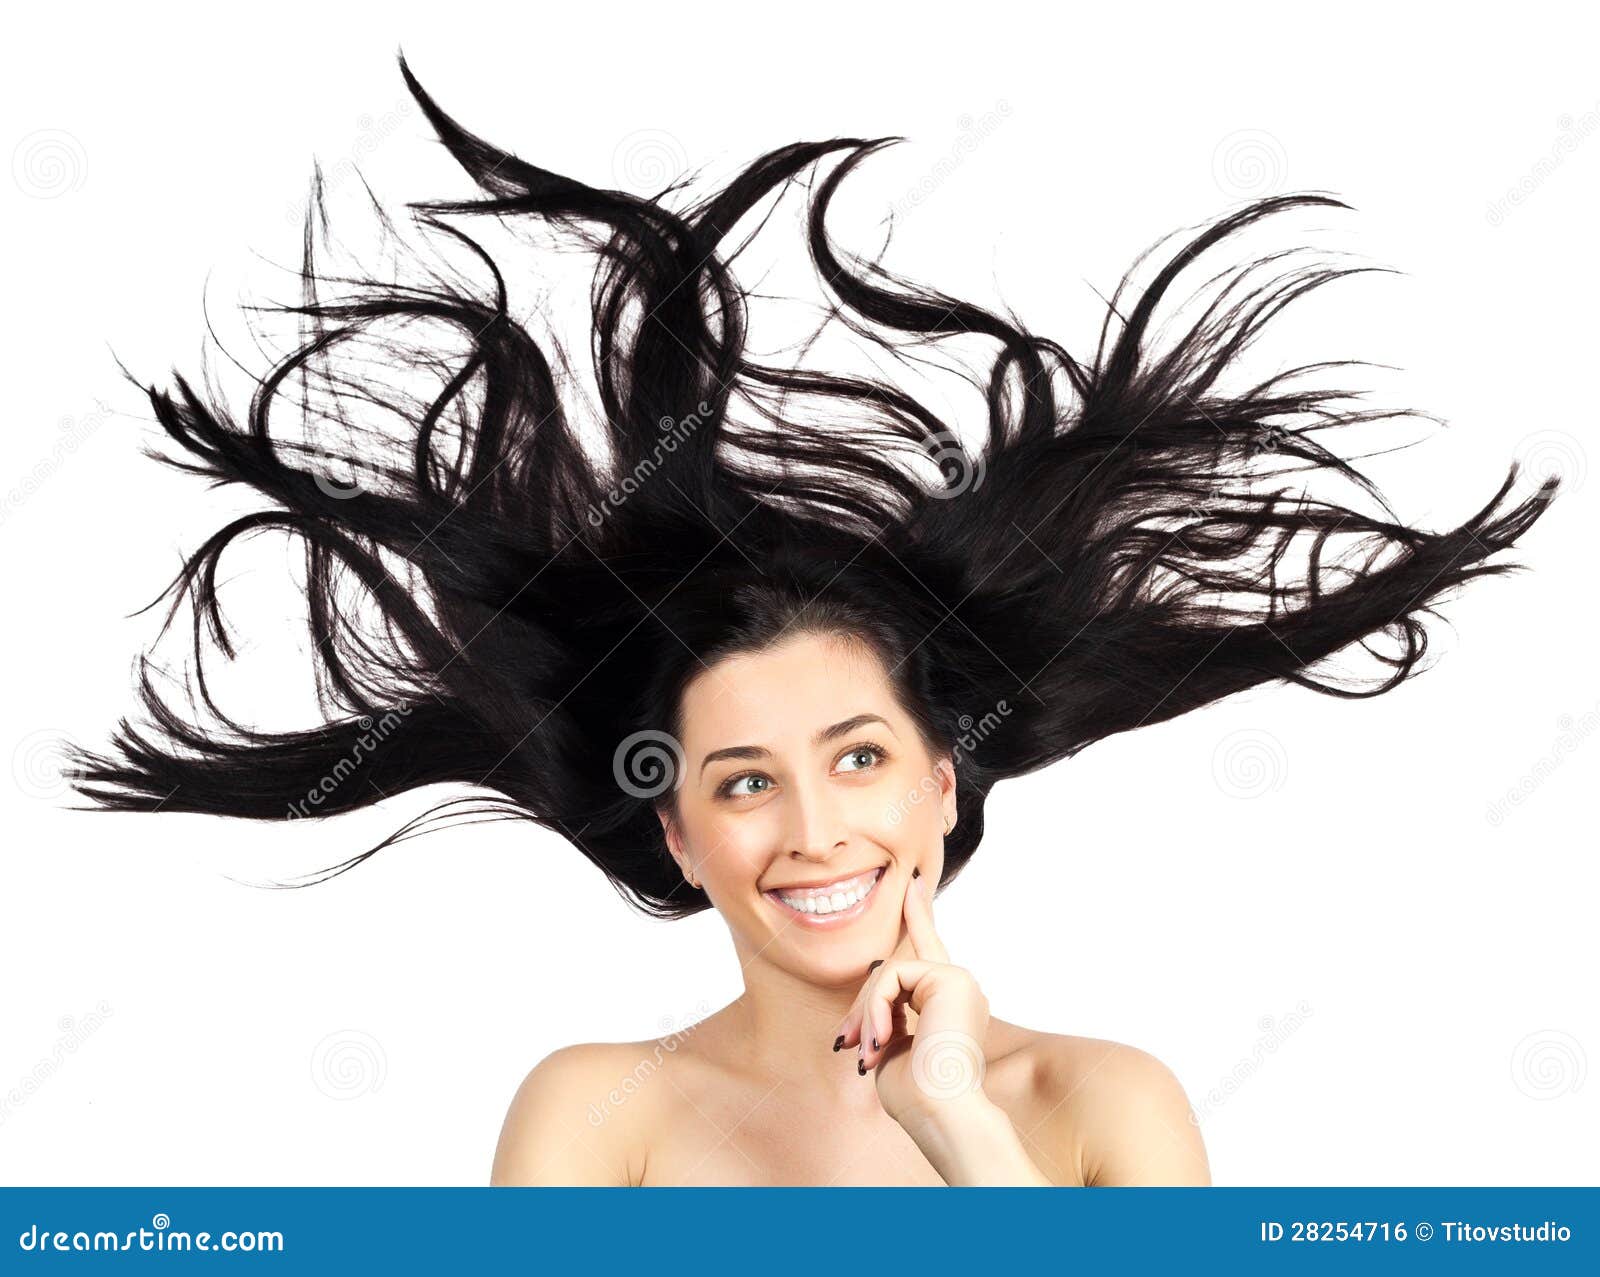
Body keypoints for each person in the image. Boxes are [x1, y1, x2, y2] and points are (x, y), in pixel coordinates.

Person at [64, 54, 1560, 1186]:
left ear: (942, 776)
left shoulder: (1105, 1109)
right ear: (676, 833)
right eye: (740, 782)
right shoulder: (598, 1113)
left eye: (856, 757)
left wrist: (959, 1123)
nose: (812, 829)